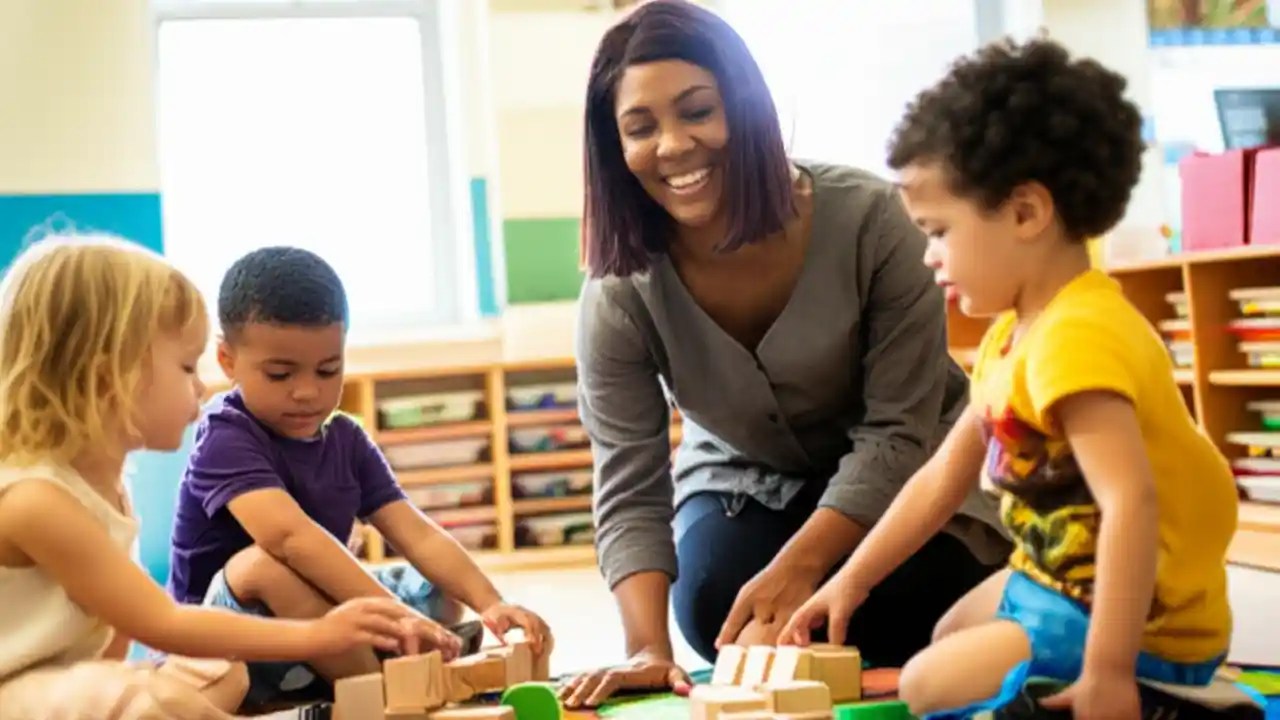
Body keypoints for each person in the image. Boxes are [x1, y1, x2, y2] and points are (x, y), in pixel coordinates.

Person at [560, 0, 1010, 707]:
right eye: (640, 128)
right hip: (746, 479)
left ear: (744, 107)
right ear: (613, 148)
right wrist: (646, 649)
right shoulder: (618, 290)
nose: (673, 146)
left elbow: (899, 431)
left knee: (906, 598)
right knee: (719, 606)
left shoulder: (874, 220)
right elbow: (628, 478)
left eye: (697, 110)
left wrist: (803, 568)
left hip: (913, 478)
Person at [781, 38, 1241, 719]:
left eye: (939, 231)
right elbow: (939, 480)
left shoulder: (1078, 338)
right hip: (1056, 582)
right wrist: (849, 581)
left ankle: (1157, 696)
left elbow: (1130, 505)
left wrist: (1108, 674)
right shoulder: (1013, 335)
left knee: (924, 686)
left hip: (1144, 615)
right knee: (945, 640)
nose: (929, 256)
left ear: (1027, 213)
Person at [0, 236, 442, 720]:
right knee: (128, 696)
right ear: (111, 379)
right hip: (17, 695)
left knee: (214, 671)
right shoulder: (35, 500)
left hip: (61, 688)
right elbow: (160, 623)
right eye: (187, 366)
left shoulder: (104, 491)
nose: (202, 385)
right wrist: (322, 633)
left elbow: (110, 640)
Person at [167, 246, 553, 709]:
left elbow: (416, 533)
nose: (308, 391)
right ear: (228, 362)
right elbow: (290, 539)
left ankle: (393, 662)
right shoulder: (224, 435)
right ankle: (393, 694)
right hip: (231, 644)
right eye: (280, 374)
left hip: (322, 626)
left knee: (433, 583)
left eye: (328, 370)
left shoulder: (345, 438)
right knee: (262, 564)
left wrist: (490, 603)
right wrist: (398, 617)